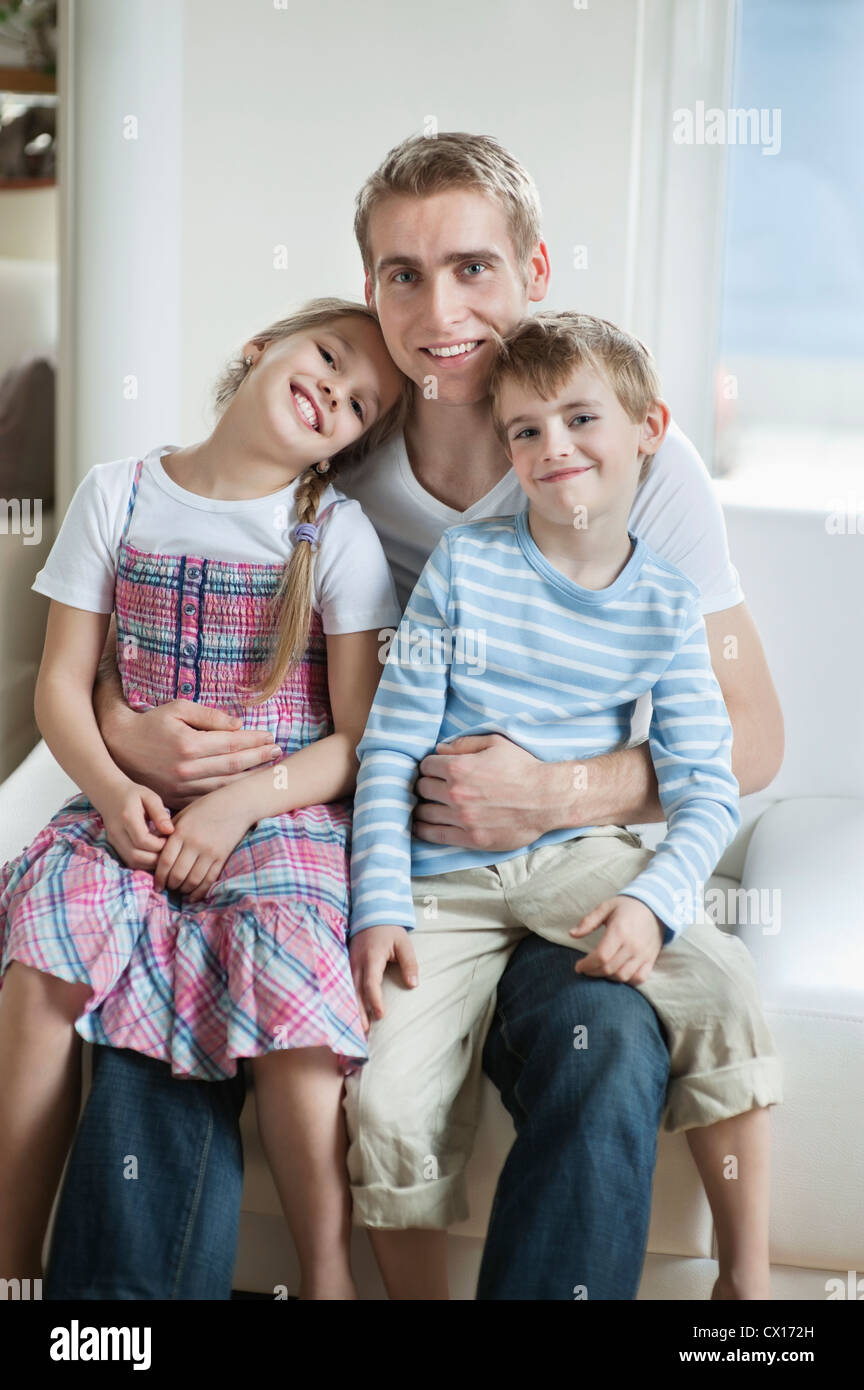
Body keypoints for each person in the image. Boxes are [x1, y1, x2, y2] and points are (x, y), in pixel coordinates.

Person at [47, 133, 784, 1302]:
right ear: (370, 287)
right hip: (349, 848)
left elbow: (749, 735)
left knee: (610, 1046)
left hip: (560, 864)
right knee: (174, 994)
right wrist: (119, 729)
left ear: (535, 269)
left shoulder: (618, 451)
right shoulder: (338, 439)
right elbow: (173, 583)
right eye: (402, 274)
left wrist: (562, 791)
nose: (439, 310)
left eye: (473, 269)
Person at [347, 310, 783, 1302]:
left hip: (578, 857)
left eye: (581, 419)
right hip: (444, 880)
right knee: (380, 1101)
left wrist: (653, 902)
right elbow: (390, 748)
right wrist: (377, 902)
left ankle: (745, 1283)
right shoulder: (466, 565)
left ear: (648, 430)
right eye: (526, 431)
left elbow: (706, 780)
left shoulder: (669, 605)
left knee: (728, 990)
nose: (554, 449)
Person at [0, 298, 407, 1300]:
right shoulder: (120, 491)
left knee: (289, 963)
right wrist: (109, 782)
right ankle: (10, 1266)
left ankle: (325, 1277)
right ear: (259, 347)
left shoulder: (335, 537)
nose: (335, 393)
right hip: (123, 803)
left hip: (276, 815)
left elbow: (354, 740)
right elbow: (60, 685)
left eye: (360, 404)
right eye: (327, 358)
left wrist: (235, 808)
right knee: (49, 947)